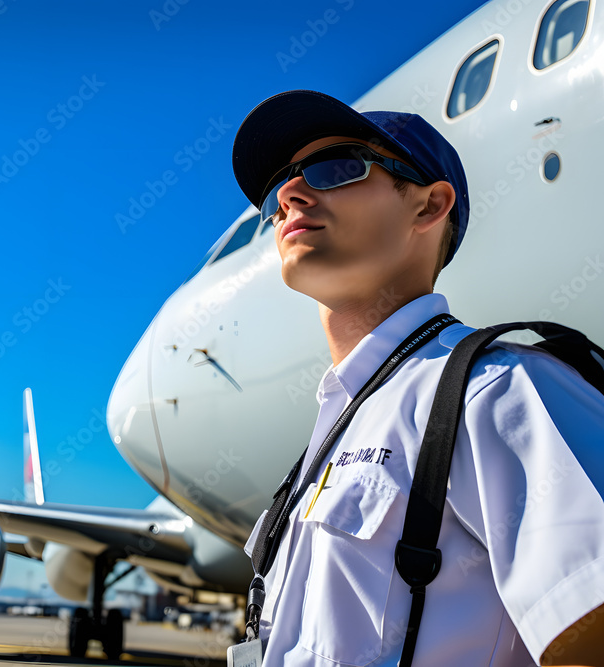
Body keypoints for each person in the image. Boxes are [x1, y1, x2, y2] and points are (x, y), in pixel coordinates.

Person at [230, 90, 604, 666]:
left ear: (429, 207)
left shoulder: (499, 392)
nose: (288, 195)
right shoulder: (328, 442)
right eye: (277, 193)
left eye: (335, 167)